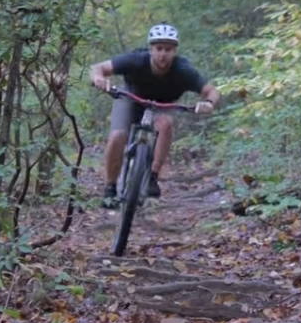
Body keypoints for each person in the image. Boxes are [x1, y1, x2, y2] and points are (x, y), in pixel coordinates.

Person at [90, 23, 220, 208]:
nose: (163, 54)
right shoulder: (136, 60)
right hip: (130, 99)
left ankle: (152, 176)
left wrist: (208, 103)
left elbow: (211, 91)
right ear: (151, 49)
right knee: (118, 135)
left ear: (175, 51)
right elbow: (98, 68)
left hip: (163, 105)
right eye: (159, 48)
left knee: (165, 123)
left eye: (168, 49)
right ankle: (110, 188)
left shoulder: (183, 71)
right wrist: (99, 79)